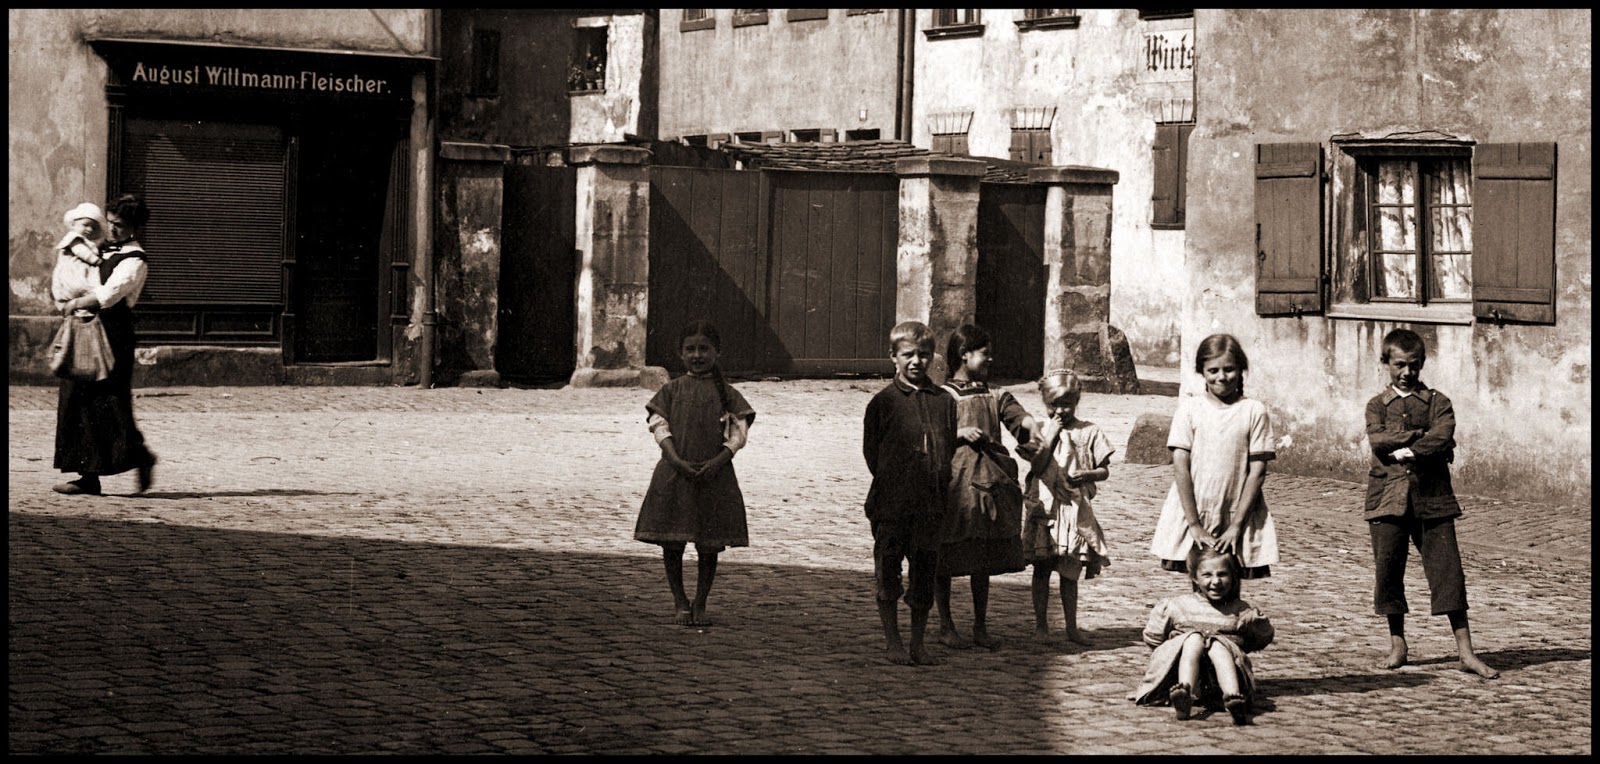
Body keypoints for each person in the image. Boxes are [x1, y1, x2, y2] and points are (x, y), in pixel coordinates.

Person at [1364, 328, 1498, 679]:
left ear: (1422, 364)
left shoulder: (1438, 402)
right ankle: (1398, 644)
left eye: (1414, 365)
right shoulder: (1376, 405)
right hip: (1387, 499)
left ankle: (1466, 652)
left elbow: (1444, 436)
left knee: (1448, 572)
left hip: (1434, 500)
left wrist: (1413, 447)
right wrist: (1421, 439)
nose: (1407, 372)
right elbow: (1378, 440)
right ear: (1386, 364)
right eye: (1399, 365)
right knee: (1388, 572)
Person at [635, 320, 755, 627]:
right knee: (672, 541)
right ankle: (679, 599)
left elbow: (737, 434)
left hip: (714, 477)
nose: (697, 355)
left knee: (709, 543)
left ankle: (701, 601)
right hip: (675, 474)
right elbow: (660, 428)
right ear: (680, 353)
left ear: (717, 352)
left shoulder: (727, 394)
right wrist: (675, 460)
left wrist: (718, 461)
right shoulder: (671, 391)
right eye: (690, 349)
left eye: (704, 349)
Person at [934, 324, 1039, 651]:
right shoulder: (944, 396)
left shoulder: (996, 394)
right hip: (955, 484)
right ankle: (946, 624)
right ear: (964, 355)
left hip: (989, 485)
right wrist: (960, 432)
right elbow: (932, 434)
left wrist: (1030, 426)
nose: (990, 357)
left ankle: (980, 624)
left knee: (983, 556)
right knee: (946, 554)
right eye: (984, 352)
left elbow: (1017, 419)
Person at [863, 320, 957, 666]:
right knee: (888, 572)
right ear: (893, 357)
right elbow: (872, 453)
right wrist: (896, 482)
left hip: (930, 507)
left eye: (924, 354)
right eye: (908, 355)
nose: (917, 361)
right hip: (891, 506)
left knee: (924, 574)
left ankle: (918, 643)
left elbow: (948, 446)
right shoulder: (883, 402)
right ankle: (893, 642)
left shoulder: (944, 401)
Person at [52, 194, 158, 496]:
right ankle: (87, 476)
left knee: (110, 401)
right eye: (110, 223)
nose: (112, 230)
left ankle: (140, 456)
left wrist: (75, 303)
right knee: (77, 399)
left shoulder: (135, 260)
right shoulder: (99, 248)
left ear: (134, 228)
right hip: (86, 328)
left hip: (113, 333)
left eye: (120, 226)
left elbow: (108, 295)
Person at [1149, 334, 1278, 579]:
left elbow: (1258, 470)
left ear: (1241, 370)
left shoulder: (1253, 411)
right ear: (1202, 372)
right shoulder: (1190, 410)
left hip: (1235, 510)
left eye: (1229, 369)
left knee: (1229, 579)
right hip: (1195, 508)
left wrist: (1236, 526)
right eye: (1213, 370)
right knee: (1201, 577)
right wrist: (1194, 524)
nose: (1222, 377)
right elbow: (1180, 467)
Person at [1130, 546, 1275, 725]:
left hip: (1218, 681)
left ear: (1233, 576)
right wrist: (1170, 650)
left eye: (1222, 574)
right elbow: (1154, 636)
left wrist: (1260, 625)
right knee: (1193, 640)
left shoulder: (1240, 610)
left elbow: (1258, 641)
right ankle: (1184, 693)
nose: (1216, 582)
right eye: (1207, 575)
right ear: (1194, 578)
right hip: (1183, 672)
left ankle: (1233, 698)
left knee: (1218, 645)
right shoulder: (1179, 606)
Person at [1021, 369, 1114, 646]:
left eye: (1067, 404)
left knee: (1069, 570)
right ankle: (1041, 626)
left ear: (1077, 401)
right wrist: (1051, 434)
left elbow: (1104, 470)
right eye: (1054, 405)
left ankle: (1071, 626)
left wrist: (1086, 474)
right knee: (1041, 568)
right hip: (1045, 510)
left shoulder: (1090, 431)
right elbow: (1036, 466)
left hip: (1073, 510)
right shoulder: (1039, 428)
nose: (1061, 410)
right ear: (1044, 403)